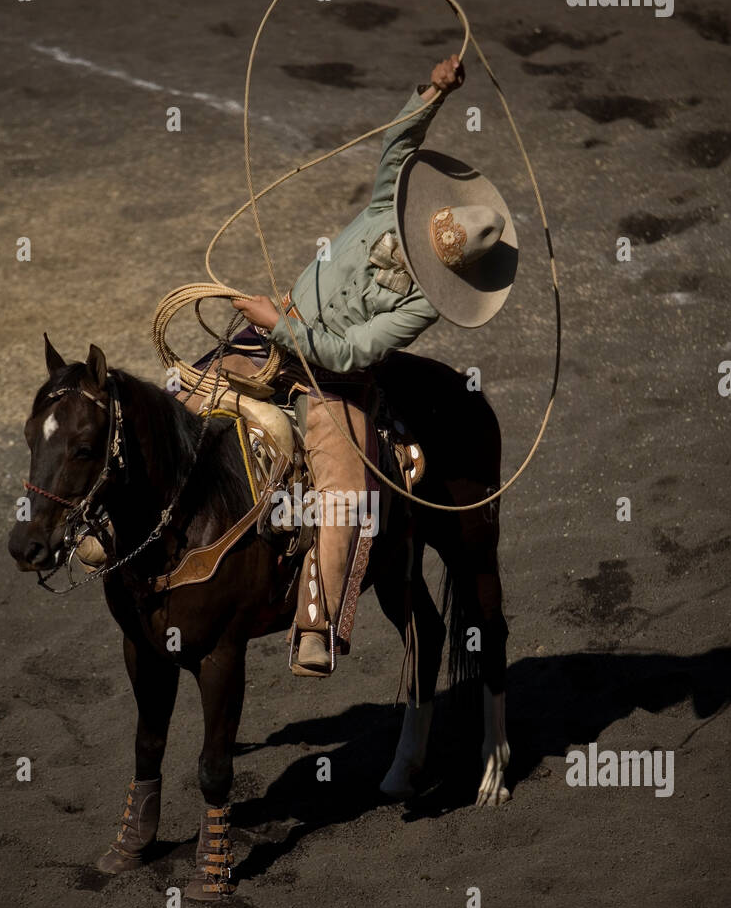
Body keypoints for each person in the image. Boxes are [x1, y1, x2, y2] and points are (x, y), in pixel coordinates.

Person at [199, 53, 518, 675]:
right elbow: (398, 143)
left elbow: (353, 352)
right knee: (185, 395)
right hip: (268, 343)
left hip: (331, 384)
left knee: (343, 490)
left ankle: (313, 627)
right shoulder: (383, 210)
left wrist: (278, 323)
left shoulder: (424, 301)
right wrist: (435, 91)